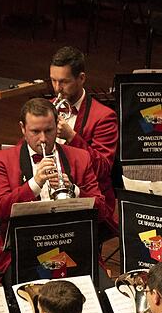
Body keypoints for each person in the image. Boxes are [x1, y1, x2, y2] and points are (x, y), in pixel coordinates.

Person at [0, 98, 111, 274]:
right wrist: (34, 184)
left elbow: (102, 212)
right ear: (23, 128)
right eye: (35, 131)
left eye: (49, 130)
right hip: (24, 251)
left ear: (57, 126)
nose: (43, 139)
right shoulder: (2, 160)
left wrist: (75, 190)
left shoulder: (81, 157)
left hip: (73, 247)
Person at [49, 46, 119, 214]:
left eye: (64, 82)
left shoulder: (104, 116)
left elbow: (103, 169)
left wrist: (72, 137)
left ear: (81, 78)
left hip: (86, 197)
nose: (57, 88)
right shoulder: (47, 109)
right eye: (53, 80)